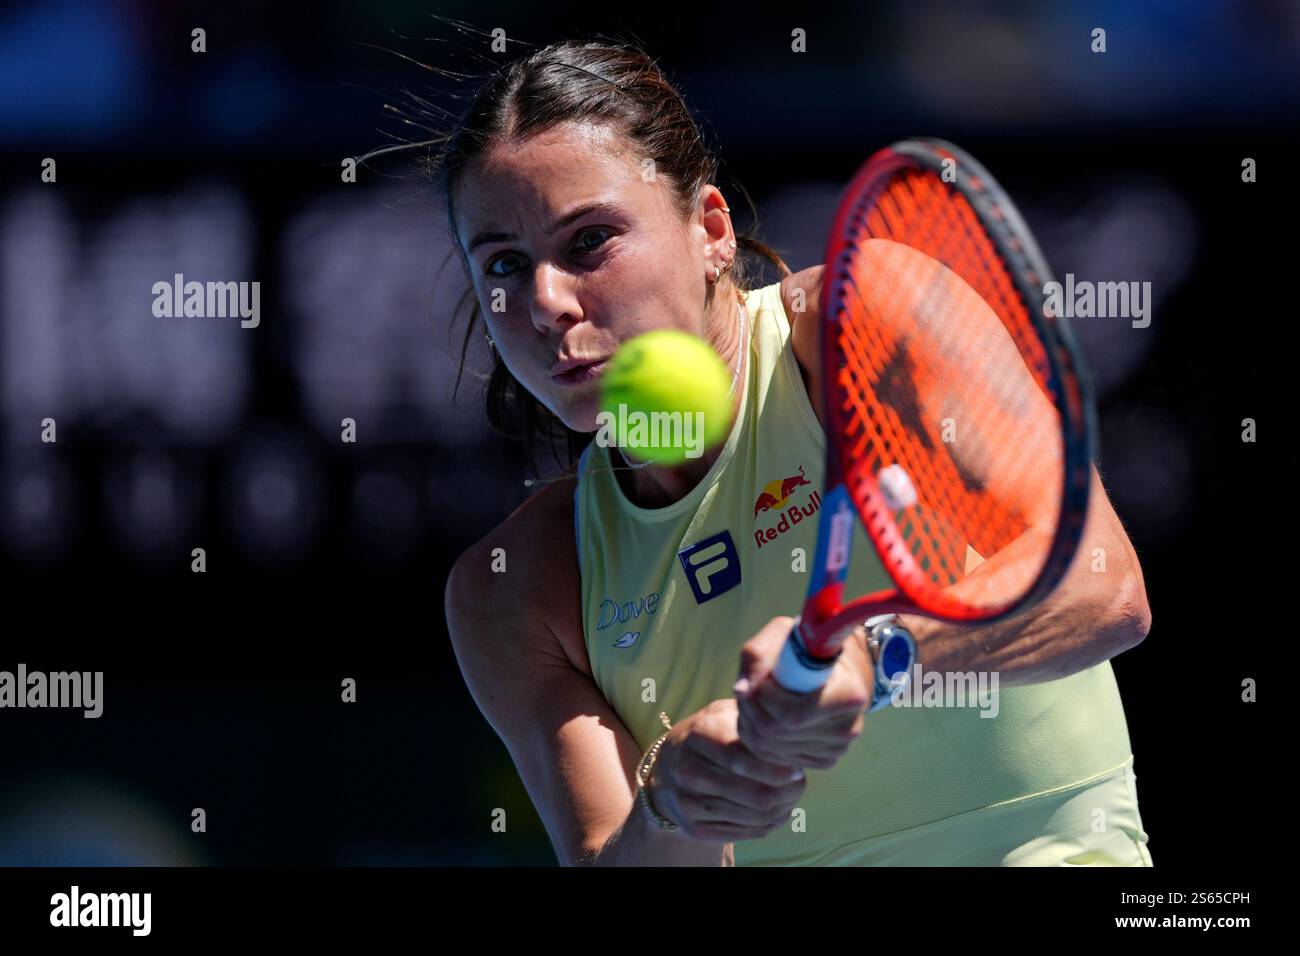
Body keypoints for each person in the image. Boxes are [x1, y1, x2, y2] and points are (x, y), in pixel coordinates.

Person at [441, 39, 1153, 866]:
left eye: (591, 240)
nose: (547, 302)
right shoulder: (513, 589)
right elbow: (612, 851)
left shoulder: (859, 321)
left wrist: (877, 656)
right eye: (504, 264)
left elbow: (1105, 589)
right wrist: (674, 807)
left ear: (711, 230)